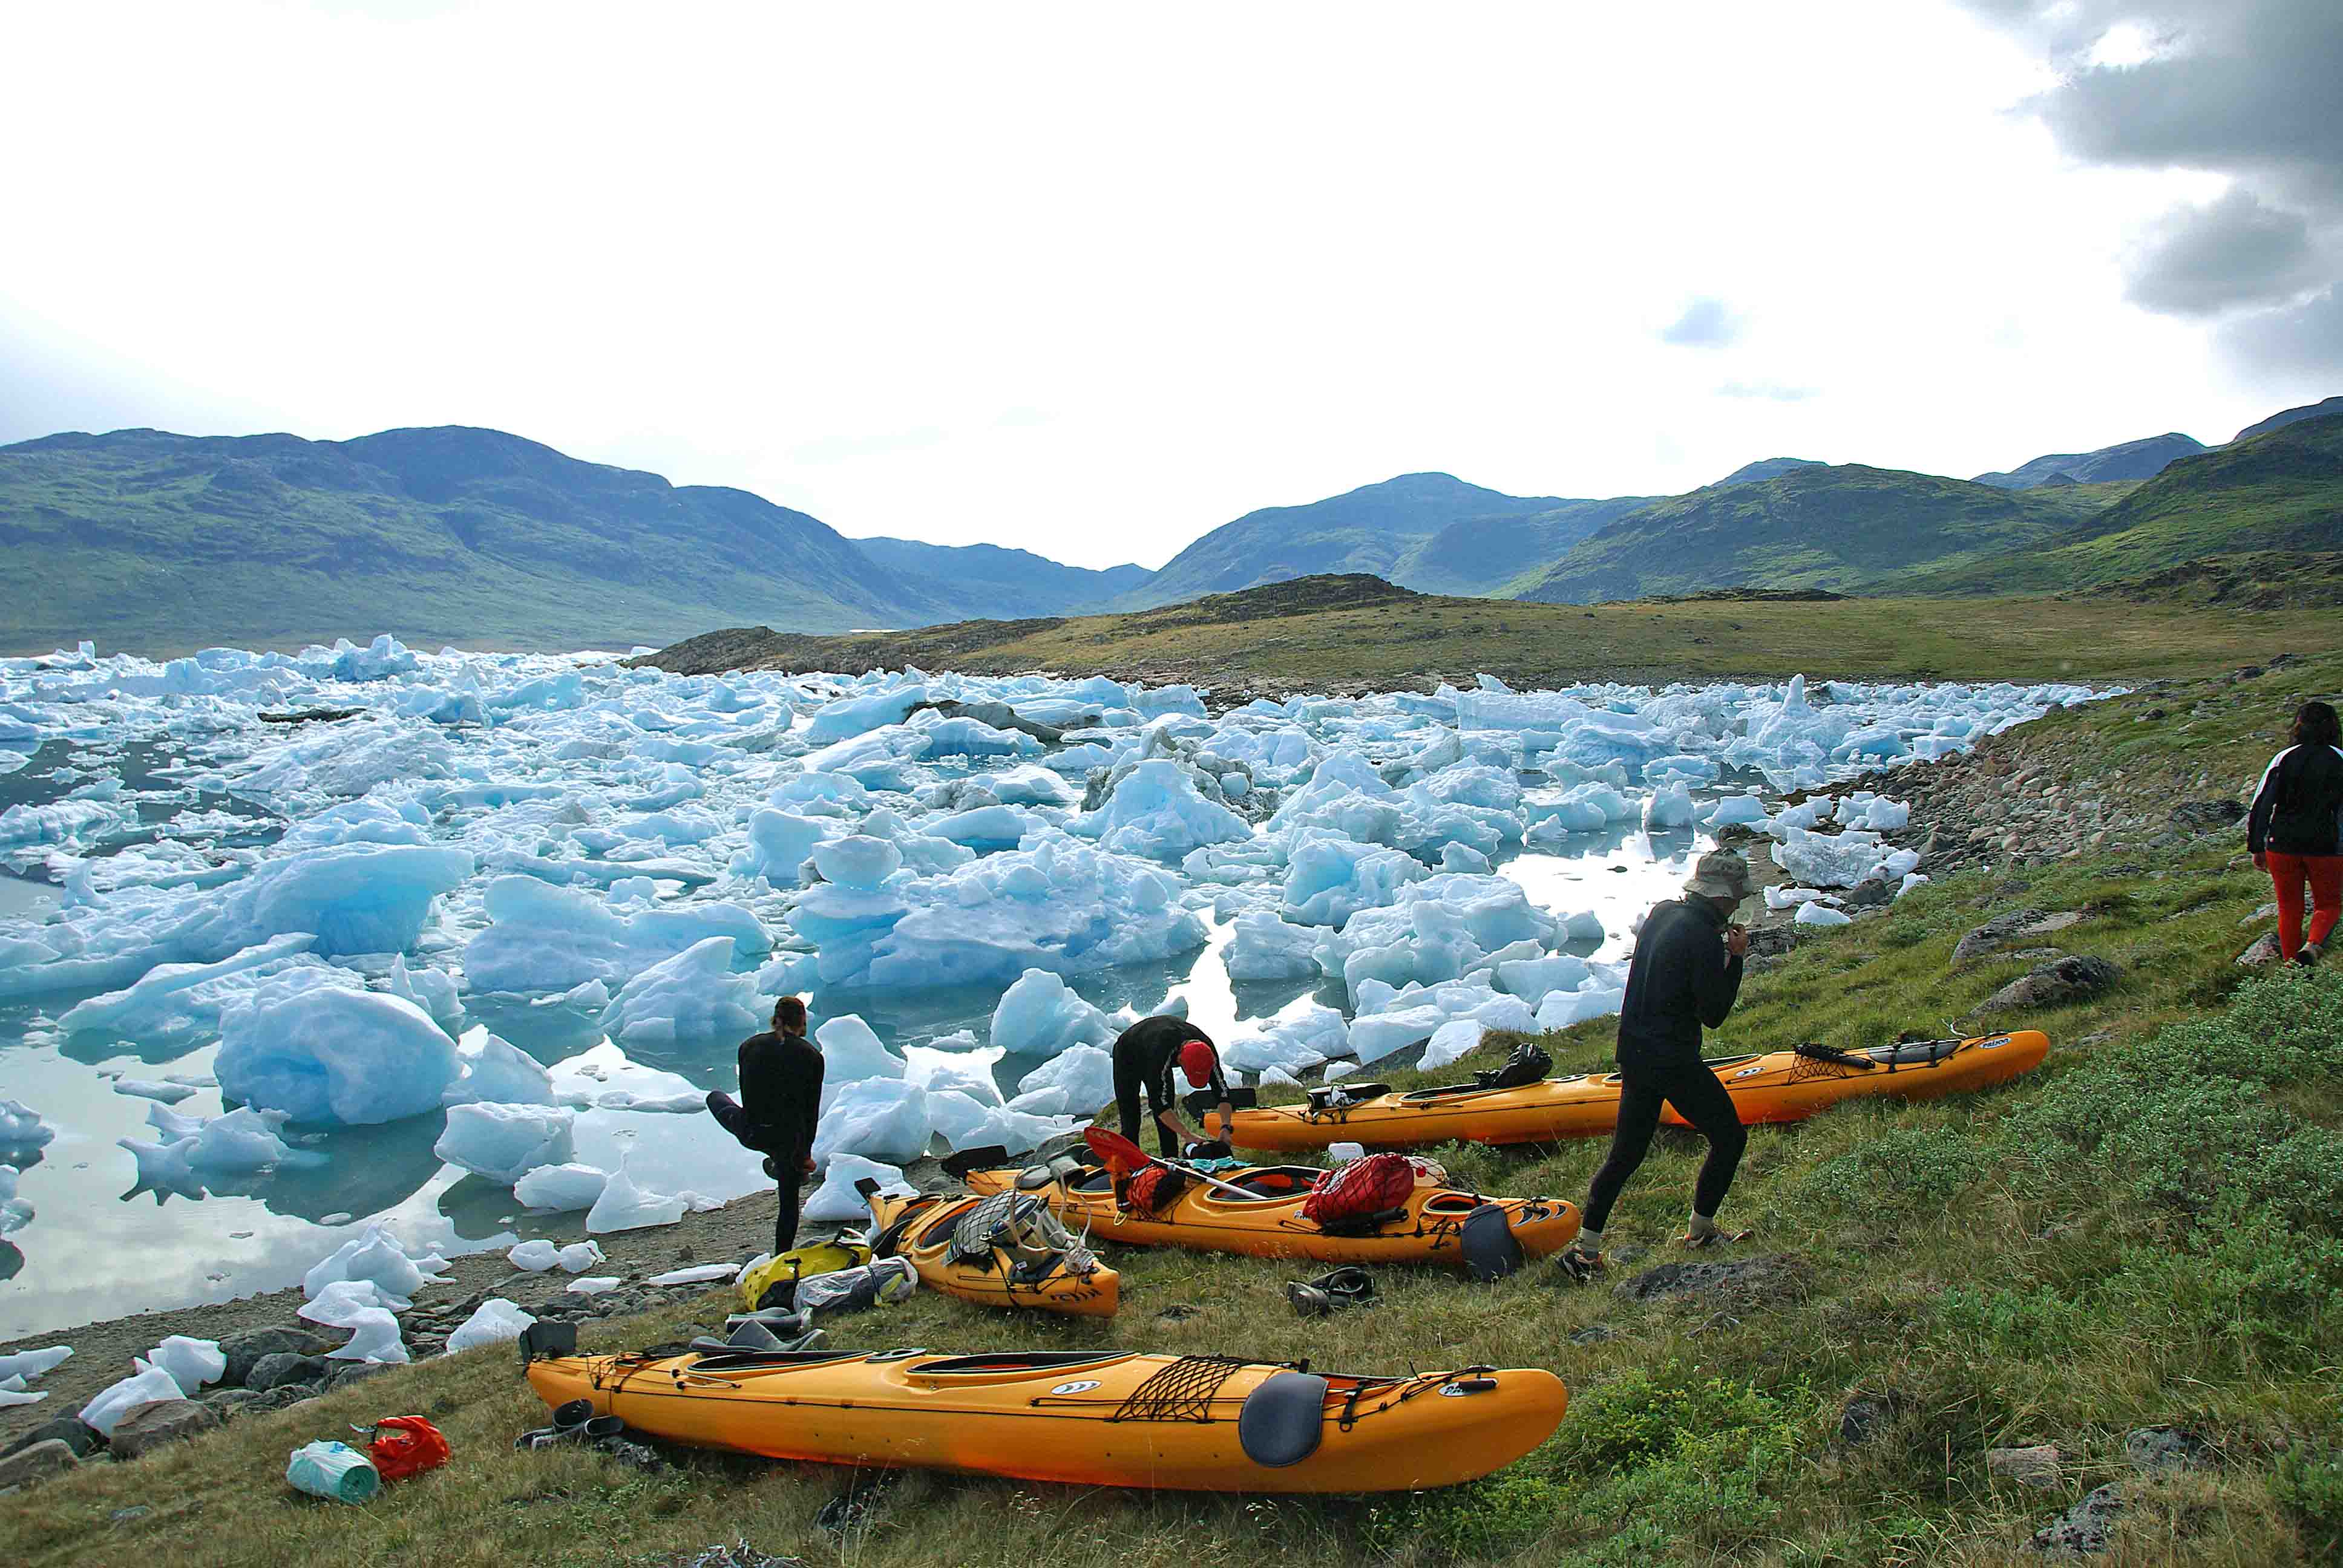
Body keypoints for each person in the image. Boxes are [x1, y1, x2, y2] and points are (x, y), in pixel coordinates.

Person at [1564, 849, 1754, 1274]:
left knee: (1625, 1156)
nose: (1739, 904)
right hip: (1672, 1059)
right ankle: (1702, 1232)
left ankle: (1585, 1252)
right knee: (1730, 1138)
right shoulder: (1703, 937)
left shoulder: (1664, 913)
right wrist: (1736, 958)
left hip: (1634, 1052)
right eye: (1737, 898)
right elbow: (1715, 1014)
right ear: (1724, 899)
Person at [706, 996, 824, 1254]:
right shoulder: (812, 1056)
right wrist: (804, 1156)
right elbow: (810, 1113)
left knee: (715, 1097)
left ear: (775, 1019)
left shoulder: (748, 1047)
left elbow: (749, 1094)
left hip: (752, 1131)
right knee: (789, 1202)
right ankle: (782, 1255)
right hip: (789, 1141)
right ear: (802, 1022)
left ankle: (778, 1163)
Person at [2247, 700, 2343, 966]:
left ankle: (2292, 966)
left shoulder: (2284, 758)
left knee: (2289, 909)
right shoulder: (2339, 758)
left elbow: (2262, 805)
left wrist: (2257, 846)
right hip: (2326, 845)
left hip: (2282, 844)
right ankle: (2312, 947)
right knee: (2328, 905)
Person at [1110, 1014, 1233, 1159]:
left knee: (1167, 1120)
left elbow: (1222, 1092)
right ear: (1180, 1060)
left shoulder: (1207, 1052)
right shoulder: (1162, 1052)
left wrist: (1226, 1127)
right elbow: (1158, 1104)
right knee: (1131, 1118)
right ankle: (1131, 1163)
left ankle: (1172, 1161)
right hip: (1128, 1054)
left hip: (1158, 1048)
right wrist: (1187, 1135)